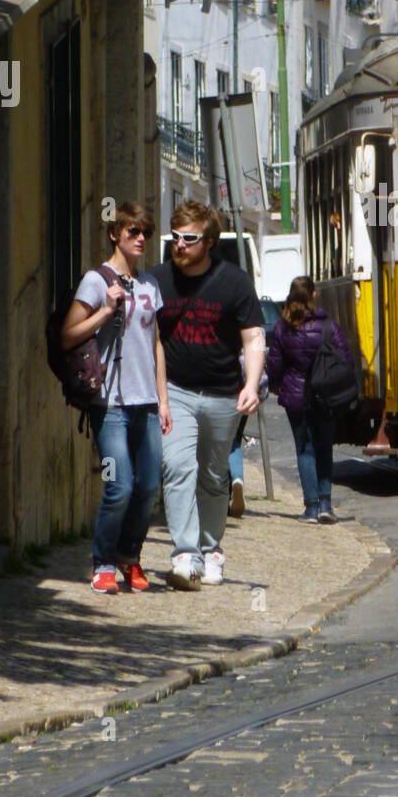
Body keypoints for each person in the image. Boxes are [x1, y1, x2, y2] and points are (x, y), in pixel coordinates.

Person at [152, 202, 266, 588]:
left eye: (189, 238)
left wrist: (251, 384)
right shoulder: (157, 280)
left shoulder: (234, 282)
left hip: (222, 394)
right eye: (175, 237)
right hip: (175, 391)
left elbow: (253, 337)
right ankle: (185, 555)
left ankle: (211, 549)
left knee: (215, 476)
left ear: (210, 241)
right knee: (178, 467)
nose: (179, 245)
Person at [61, 202, 171, 595]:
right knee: (119, 485)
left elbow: (156, 343)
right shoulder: (96, 280)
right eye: (133, 232)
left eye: (146, 232)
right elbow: (69, 335)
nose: (141, 239)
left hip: (145, 404)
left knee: (148, 487)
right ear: (114, 234)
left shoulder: (149, 285)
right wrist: (106, 310)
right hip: (109, 405)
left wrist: (164, 399)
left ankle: (130, 555)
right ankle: (103, 561)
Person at [265, 276, 353, 525]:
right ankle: (326, 504)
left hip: (296, 397)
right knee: (325, 449)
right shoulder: (328, 326)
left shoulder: (283, 328)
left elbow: (275, 365)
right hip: (325, 396)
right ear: (314, 295)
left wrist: (275, 385)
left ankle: (311, 508)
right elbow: (346, 359)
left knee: (305, 450)